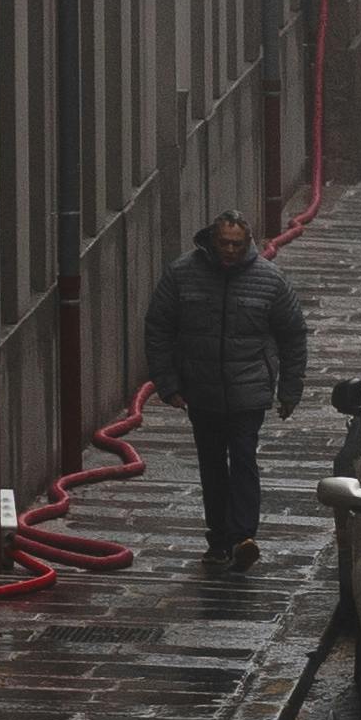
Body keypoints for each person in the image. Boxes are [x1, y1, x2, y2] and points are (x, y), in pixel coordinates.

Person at [140, 206, 305, 571]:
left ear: (247, 242)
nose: (230, 250)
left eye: (236, 243)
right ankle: (218, 537)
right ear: (211, 241)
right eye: (223, 243)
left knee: (244, 459)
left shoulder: (269, 280)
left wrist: (289, 390)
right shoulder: (183, 274)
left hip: (248, 390)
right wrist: (167, 383)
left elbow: (293, 335)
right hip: (202, 391)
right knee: (212, 465)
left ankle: (243, 535)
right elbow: (158, 328)